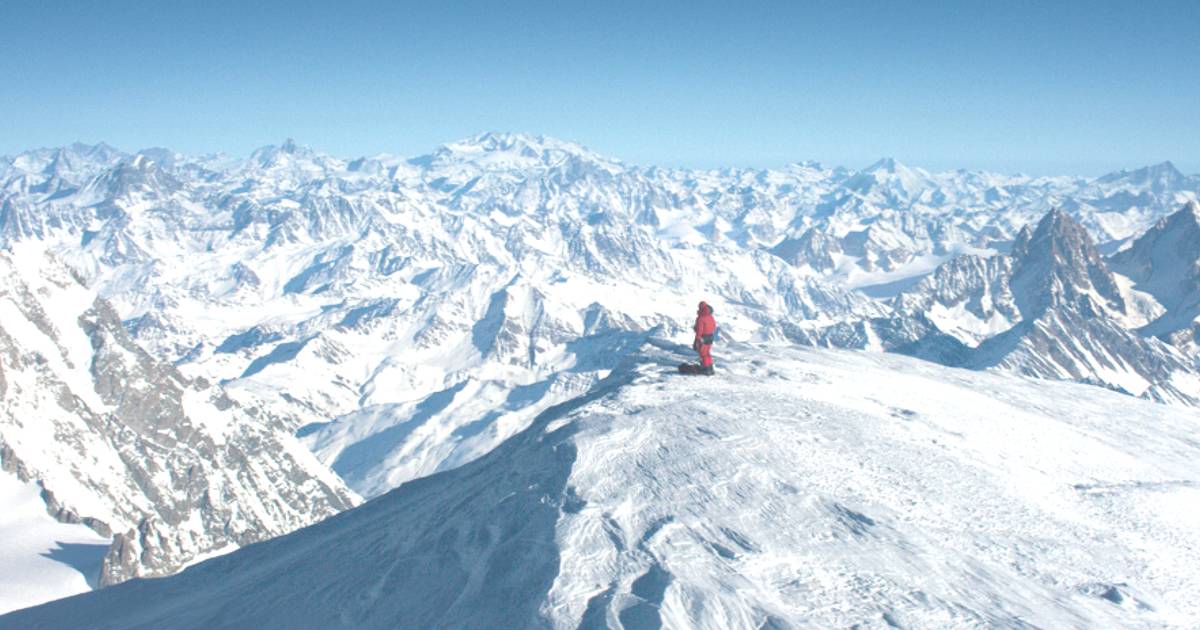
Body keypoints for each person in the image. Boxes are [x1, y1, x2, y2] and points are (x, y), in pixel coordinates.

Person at [692, 301, 717, 375]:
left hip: (703, 337)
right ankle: (710, 367)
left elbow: (699, 330)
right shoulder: (710, 316)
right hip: (710, 336)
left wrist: (697, 339)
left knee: (703, 354)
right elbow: (714, 326)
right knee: (707, 353)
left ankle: (706, 369)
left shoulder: (701, 318)